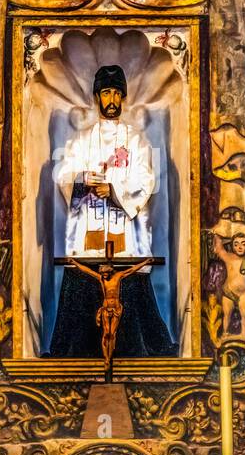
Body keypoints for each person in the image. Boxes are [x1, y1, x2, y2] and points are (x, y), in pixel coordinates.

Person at [48, 65, 175, 358]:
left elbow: (146, 180)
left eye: (117, 92)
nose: (112, 99)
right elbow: (63, 174)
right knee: (81, 287)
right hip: (88, 231)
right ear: (97, 97)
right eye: (106, 92)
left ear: (123, 97)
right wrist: (82, 179)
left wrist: (114, 191)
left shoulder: (136, 140)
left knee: (130, 290)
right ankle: (75, 352)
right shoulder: (81, 140)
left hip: (124, 233)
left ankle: (136, 351)